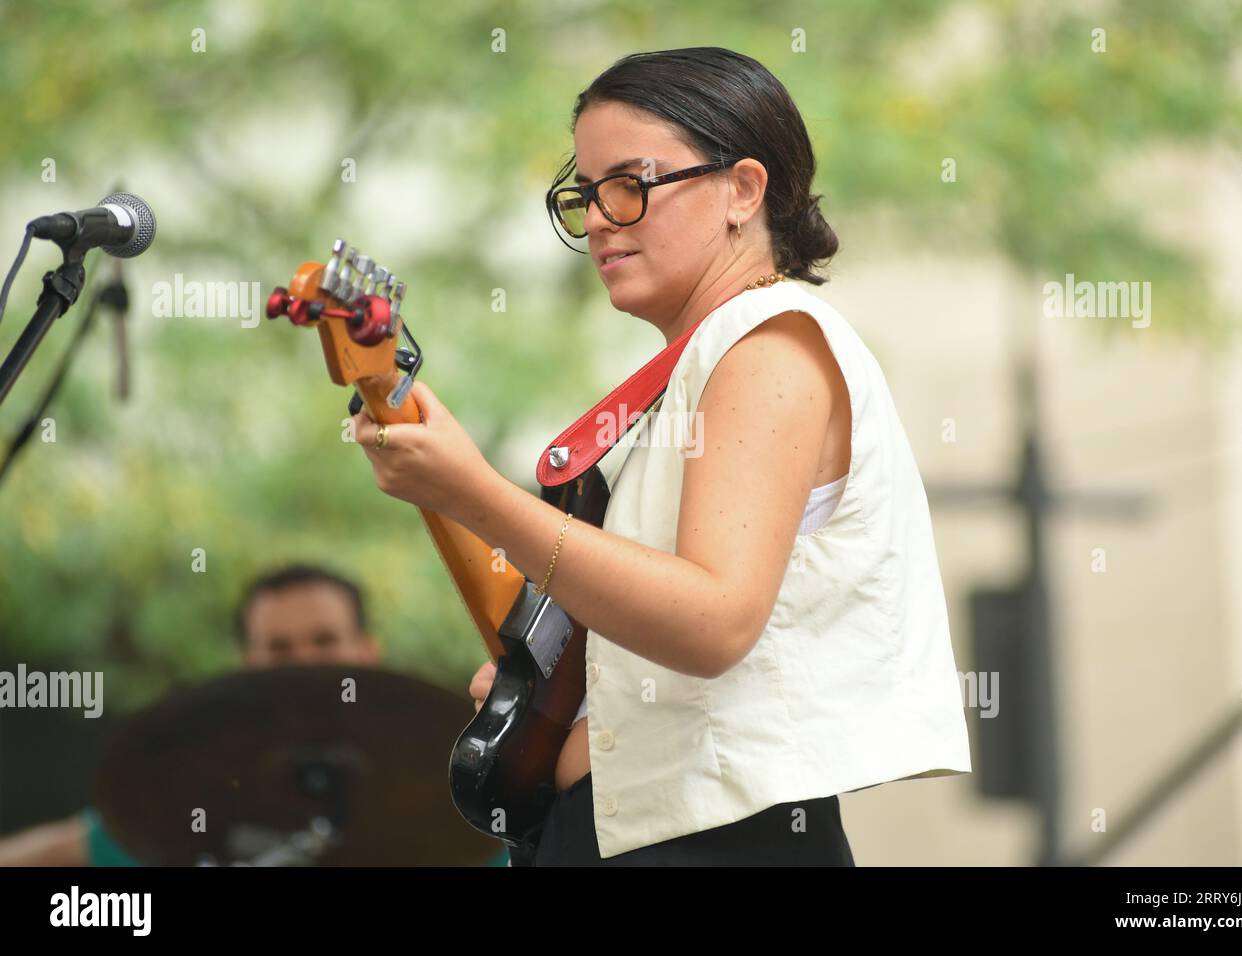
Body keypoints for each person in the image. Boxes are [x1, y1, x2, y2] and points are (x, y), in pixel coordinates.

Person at [352, 47, 972, 865]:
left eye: (630, 185)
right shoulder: (708, 361)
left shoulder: (766, 344)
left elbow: (714, 620)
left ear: (743, 190)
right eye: (584, 194)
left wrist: (473, 492)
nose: (599, 219)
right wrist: (563, 694)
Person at [0, 564, 457, 866]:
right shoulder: (206, 774)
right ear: (248, 665)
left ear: (367, 651)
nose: (304, 664)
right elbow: (79, 845)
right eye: (279, 648)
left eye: (324, 641)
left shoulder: (436, 765)